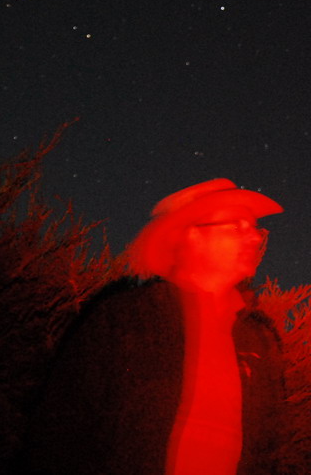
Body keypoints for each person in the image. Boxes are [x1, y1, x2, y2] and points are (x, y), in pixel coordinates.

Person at [24, 179, 286, 475]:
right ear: (191, 237)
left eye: (254, 228)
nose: (253, 238)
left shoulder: (258, 341)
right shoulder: (126, 319)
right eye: (236, 227)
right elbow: (60, 433)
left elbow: (268, 451)